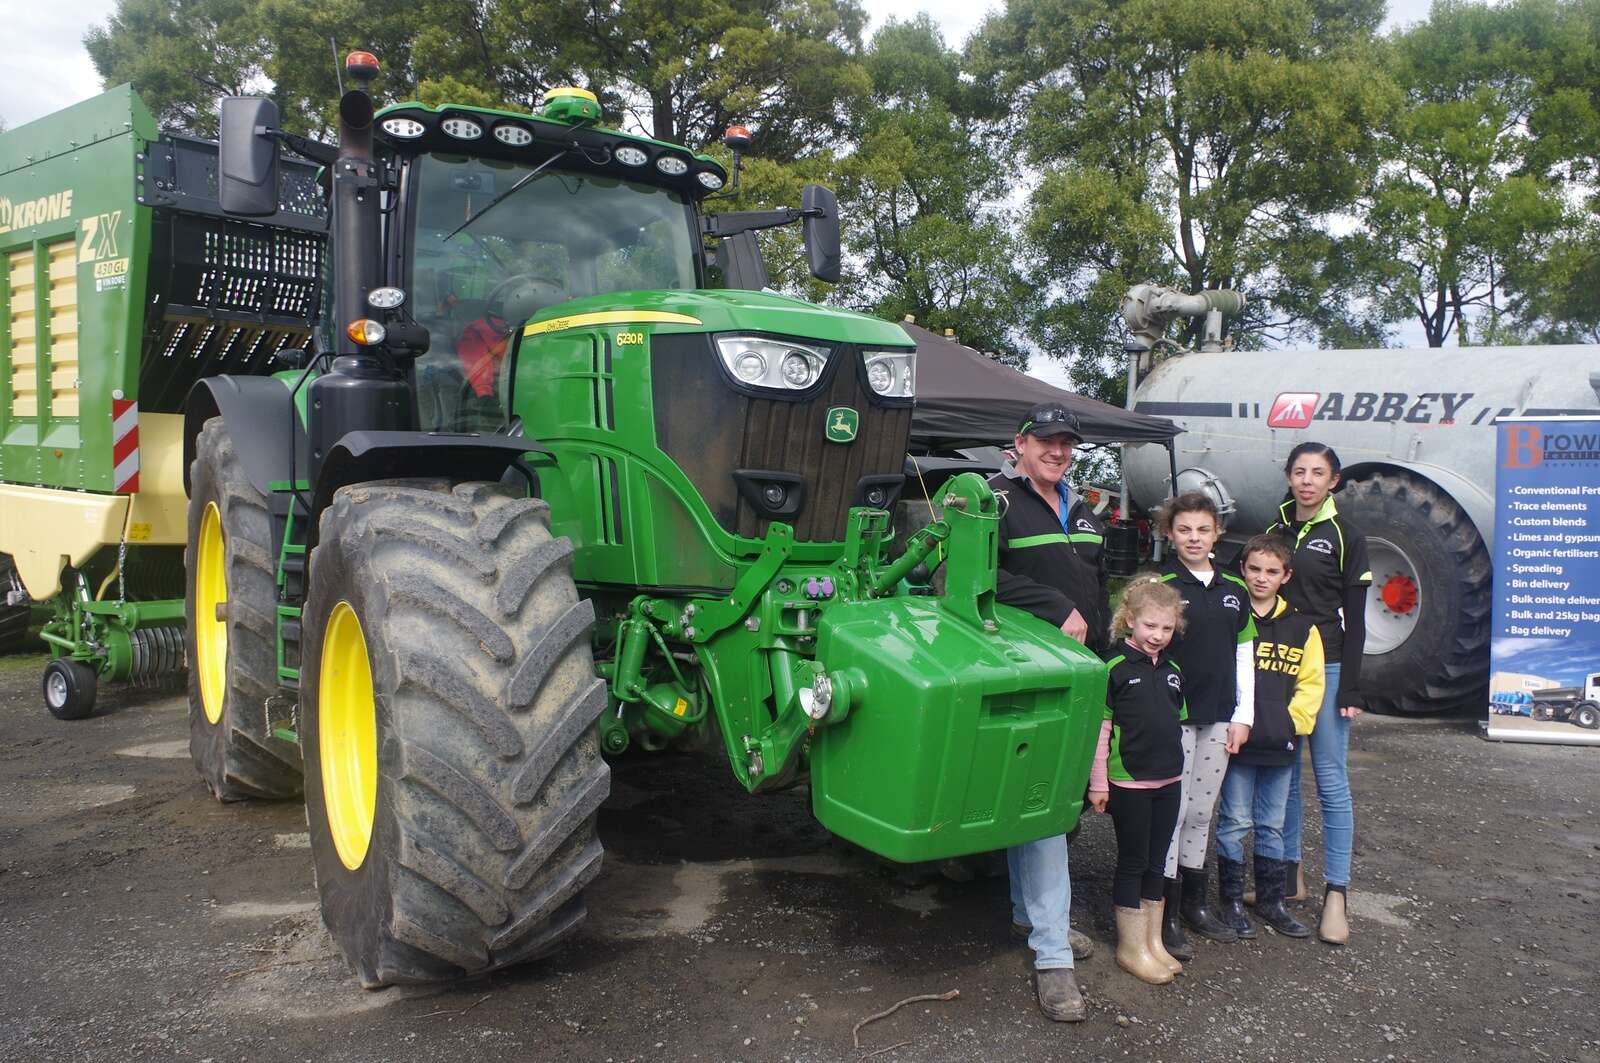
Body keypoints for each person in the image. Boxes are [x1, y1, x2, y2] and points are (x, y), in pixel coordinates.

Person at [988, 401, 1107, 1021]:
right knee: (1044, 803)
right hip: (1028, 671)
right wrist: (1052, 603)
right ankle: (1053, 955)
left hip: (1082, 673)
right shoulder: (995, 500)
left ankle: (1030, 916)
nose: (1058, 452)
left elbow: (1097, 587)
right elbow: (955, 573)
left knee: (1045, 805)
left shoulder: (1082, 509)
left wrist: (1111, 656)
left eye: (1066, 444)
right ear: (1021, 442)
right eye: (1047, 442)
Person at [1264, 442, 1371, 945]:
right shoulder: (1275, 531)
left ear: (1334, 480)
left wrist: (1350, 684)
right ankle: (1290, 877)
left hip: (1326, 666)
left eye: (1318, 473)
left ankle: (1337, 895)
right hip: (1282, 668)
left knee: (1331, 781)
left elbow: (1358, 620)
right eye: (1299, 471)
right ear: (1289, 477)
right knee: (1284, 776)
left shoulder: (1346, 535)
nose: (1307, 480)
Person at [1153, 493, 1256, 958]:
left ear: (1217, 533)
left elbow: (1244, 655)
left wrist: (1243, 715)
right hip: (1174, 717)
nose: (1194, 538)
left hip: (1218, 717)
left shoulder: (1235, 589)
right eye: (1184, 530)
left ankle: (1196, 904)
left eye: (1203, 529)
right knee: (1171, 814)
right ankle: (1165, 913)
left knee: (1200, 812)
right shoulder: (1163, 586)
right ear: (1169, 534)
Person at [1214, 534, 1324, 940]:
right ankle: (1228, 900)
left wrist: (1291, 722)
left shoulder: (1301, 627)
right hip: (1237, 742)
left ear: (1286, 576)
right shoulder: (1231, 616)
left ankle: (1272, 900)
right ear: (1242, 570)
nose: (1262, 578)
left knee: (1272, 824)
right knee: (1234, 822)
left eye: (1272, 572)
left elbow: (1311, 683)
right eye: (1255, 569)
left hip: (1280, 742)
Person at [1086, 575, 1188, 985]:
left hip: (1169, 781)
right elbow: (1101, 732)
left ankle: (1152, 941)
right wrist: (1098, 784)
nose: (1158, 636)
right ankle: (1131, 947)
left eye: (1166, 628)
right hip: (1128, 783)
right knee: (1132, 861)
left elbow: (1176, 725)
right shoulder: (1113, 668)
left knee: (1157, 860)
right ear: (1129, 620)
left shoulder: (1174, 672)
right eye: (1150, 626)